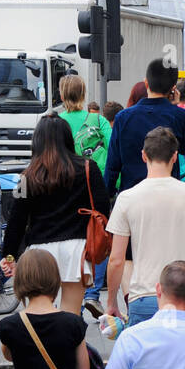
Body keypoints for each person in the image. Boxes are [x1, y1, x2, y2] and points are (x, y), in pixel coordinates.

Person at [105, 127, 185, 328]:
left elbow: (116, 260)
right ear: (175, 157)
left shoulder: (127, 198)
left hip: (143, 296)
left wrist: (112, 301)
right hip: (183, 297)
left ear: (143, 155)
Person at [0, 113, 110, 317]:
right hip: (76, 249)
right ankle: (70, 348)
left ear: (37, 141)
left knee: (39, 315)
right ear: (68, 139)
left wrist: (9, 256)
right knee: (72, 316)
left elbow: (16, 220)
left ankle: (42, 349)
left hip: (38, 253)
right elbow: (103, 208)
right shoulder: (88, 168)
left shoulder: (26, 176)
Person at [58, 75, 113, 315]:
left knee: (70, 241)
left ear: (61, 95)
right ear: (83, 94)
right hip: (94, 185)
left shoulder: (55, 121)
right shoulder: (98, 120)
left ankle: (73, 299)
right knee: (97, 235)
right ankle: (92, 293)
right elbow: (112, 150)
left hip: (64, 187)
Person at [104, 59, 185, 198]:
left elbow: (112, 165)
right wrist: (175, 107)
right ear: (173, 88)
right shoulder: (179, 116)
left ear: (146, 83)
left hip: (132, 196)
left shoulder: (123, 117)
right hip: (168, 196)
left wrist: (107, 198)